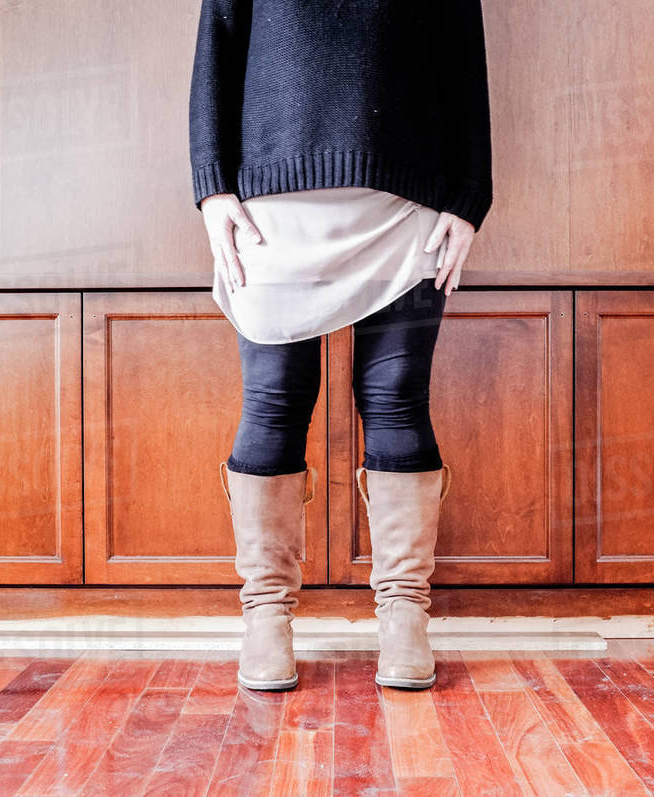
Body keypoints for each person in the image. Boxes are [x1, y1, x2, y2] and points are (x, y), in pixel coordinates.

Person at [188, 0, 492, 691]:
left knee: (397, 398)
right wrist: (211, 188)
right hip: (269, 209)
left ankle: (406, 619)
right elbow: (218, 49)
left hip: (407, 204)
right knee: (274, 401)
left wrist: (469, 197)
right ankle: (266, 618)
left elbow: (462, 62)